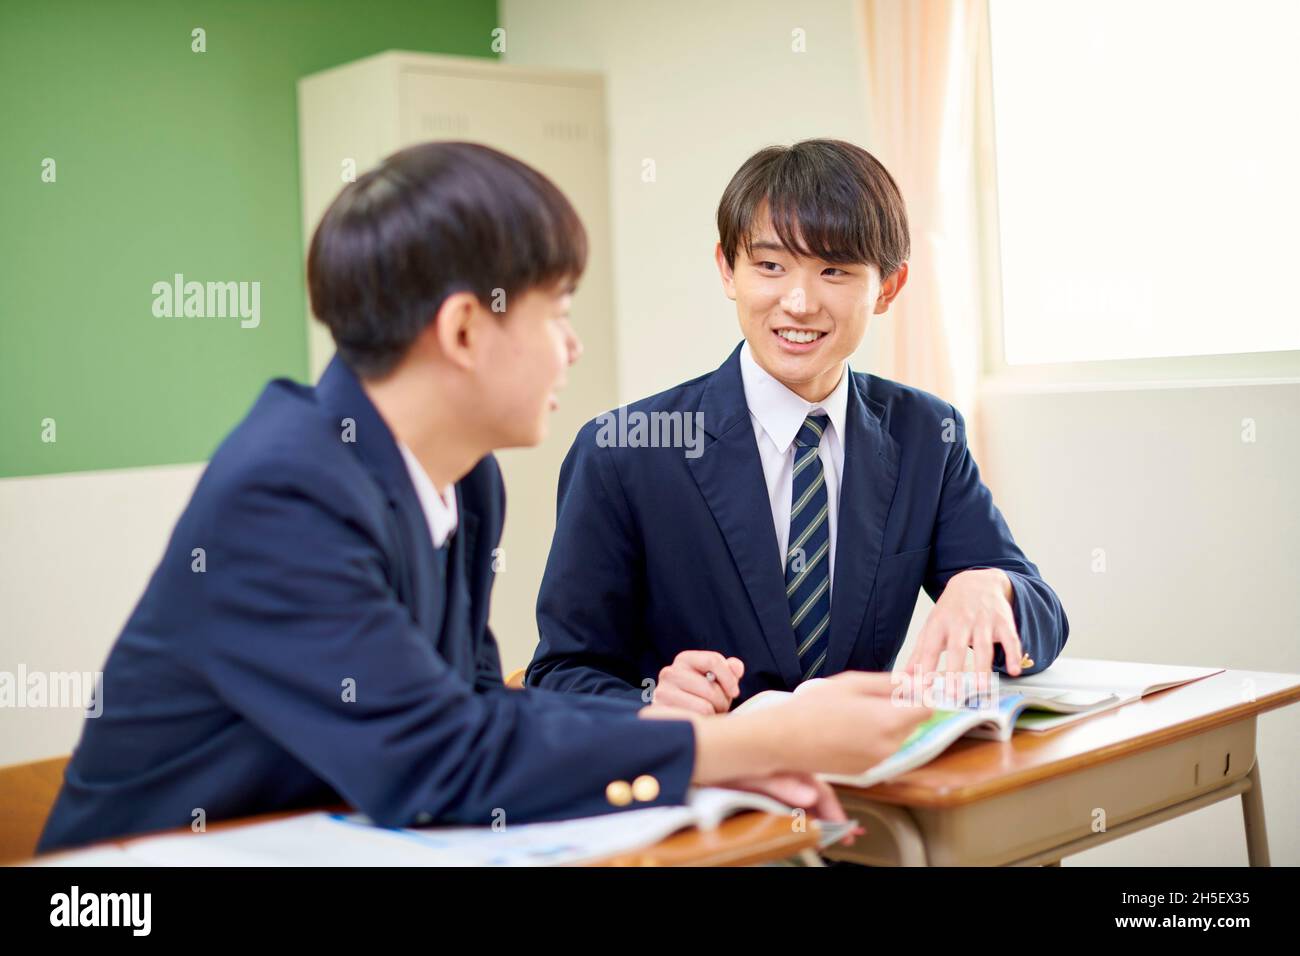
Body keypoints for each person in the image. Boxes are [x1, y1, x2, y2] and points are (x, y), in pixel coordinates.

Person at [38, 141, 930, 854]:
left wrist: (677, 739)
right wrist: (760, 742)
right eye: (558, 313)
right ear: (466, 327)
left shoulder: (462, 473)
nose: (572, 350)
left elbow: (475, 708)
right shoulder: (286, 486)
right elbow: (439, 761)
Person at [528, 139, 1069, 715]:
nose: (799, 302)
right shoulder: (624, 450)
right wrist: (650, 704)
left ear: (888, 287)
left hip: (862, 784)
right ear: (727, 270)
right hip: (703, 783)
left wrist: (993, 587)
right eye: (769, 266)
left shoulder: (924, 433)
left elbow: (1043, 620)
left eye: (833, 270)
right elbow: (561, 674)